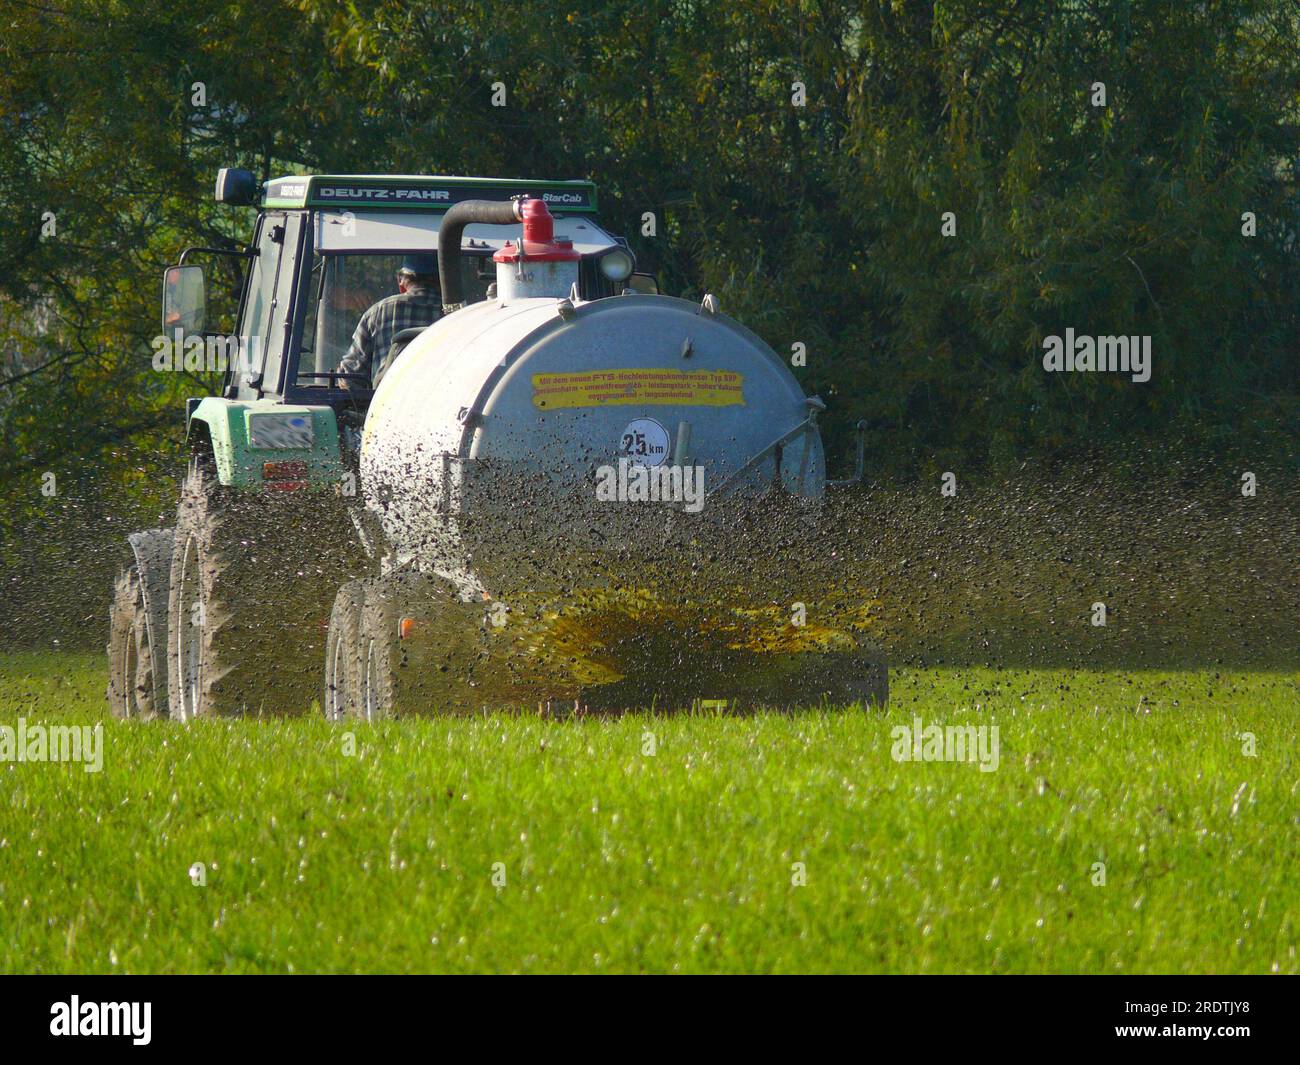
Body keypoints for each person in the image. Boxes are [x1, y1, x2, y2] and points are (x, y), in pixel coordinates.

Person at [336, 254, 442, 388]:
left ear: (401, 281)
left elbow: (349, 375)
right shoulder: (460, 315)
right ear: (444, 281)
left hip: (386, 405)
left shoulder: (377, 312)